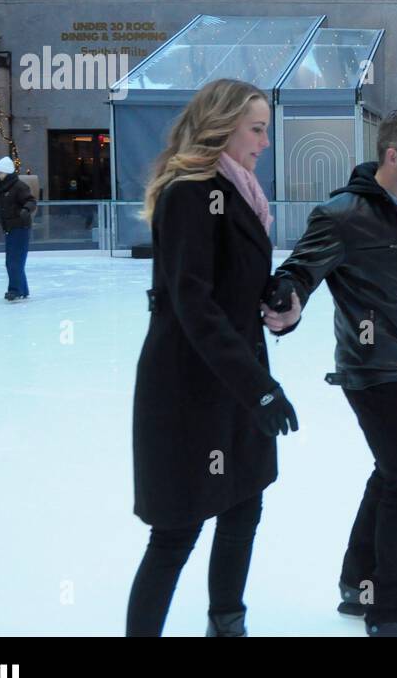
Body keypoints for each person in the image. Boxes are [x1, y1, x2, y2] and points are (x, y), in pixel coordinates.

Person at [265, 108, 397, 637]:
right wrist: (286, 300)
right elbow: (299, 271)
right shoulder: (343, 215)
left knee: (390, 475)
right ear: (392, 156)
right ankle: (393, 611)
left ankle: (360, 586)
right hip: (372, 372)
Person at [127, 79, 300, 638]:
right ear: (222, 126)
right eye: (257, 129)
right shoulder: (190, 192)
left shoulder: (238, 191)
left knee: (242, 506)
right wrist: (260, 390)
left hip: (232, 376)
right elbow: (194, 304)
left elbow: (230, 284)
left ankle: (227, 624)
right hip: (187, 386)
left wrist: (279, 301)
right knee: (176, 531)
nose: (264, 142)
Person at [0, 156, 37, 301]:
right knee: (13, 261)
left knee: (14, 262)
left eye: (1, 173)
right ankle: (23, 290)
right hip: (10, 228)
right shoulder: (2, 190)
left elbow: (31, 201)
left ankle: (15, 290)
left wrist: (26, 210)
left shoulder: (19, 186)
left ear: (8, 172)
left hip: (20, 228)